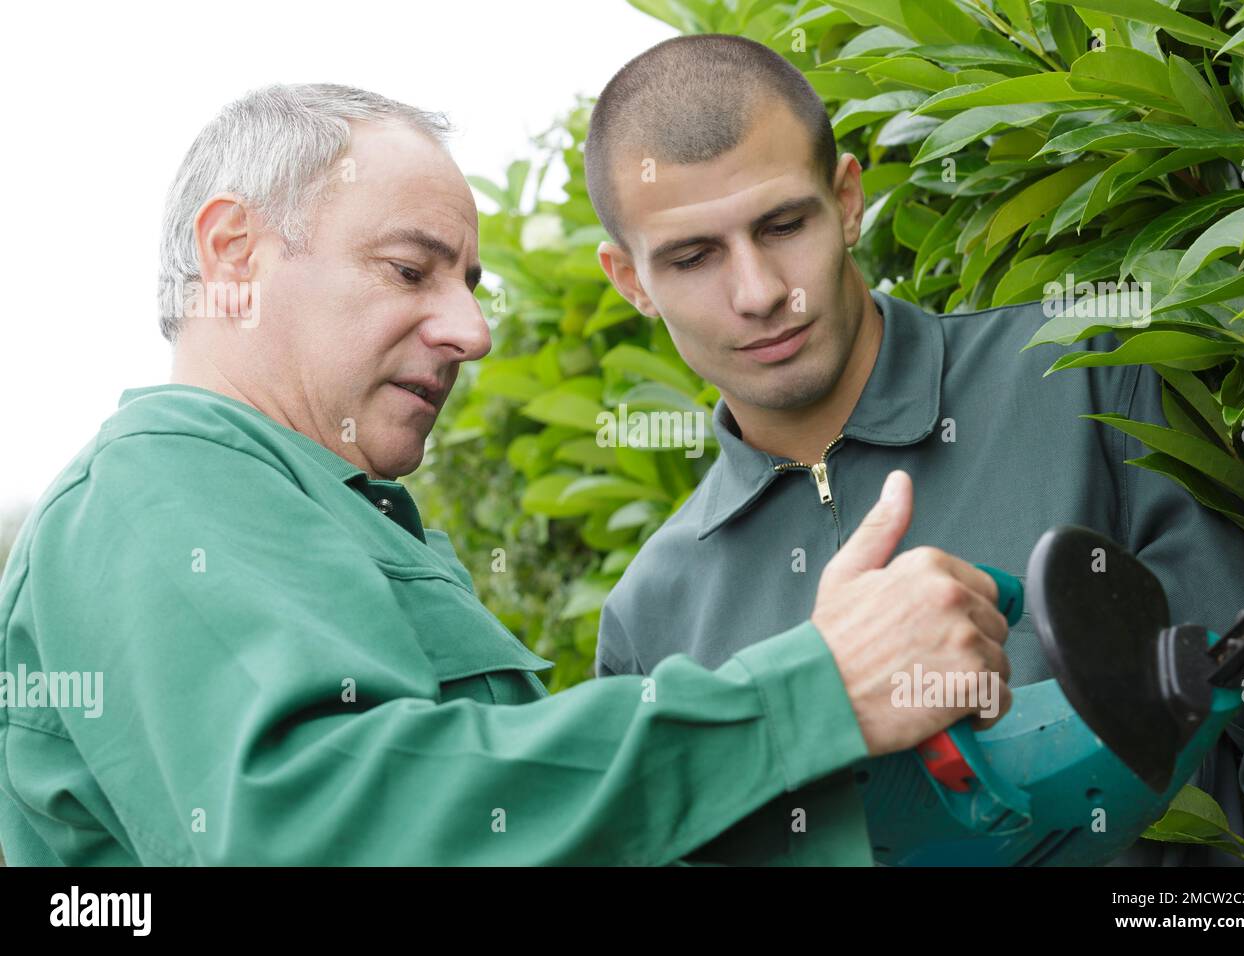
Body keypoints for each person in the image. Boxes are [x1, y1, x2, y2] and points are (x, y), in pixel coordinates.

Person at [0, 83, 1010, 866]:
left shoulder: (341, 518)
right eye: (409, 269)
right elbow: (317, 832)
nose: (472, 331)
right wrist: (808, 690)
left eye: (470, 284)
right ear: (234, 254)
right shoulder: (151, 494)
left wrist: (861, 732)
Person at [589, 35, 1244, 866]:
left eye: (783, 225)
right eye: (692, 256)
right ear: (630, 281)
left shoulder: (1087, 378)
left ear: (848, 200)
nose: (760, 294)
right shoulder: (647, 620)